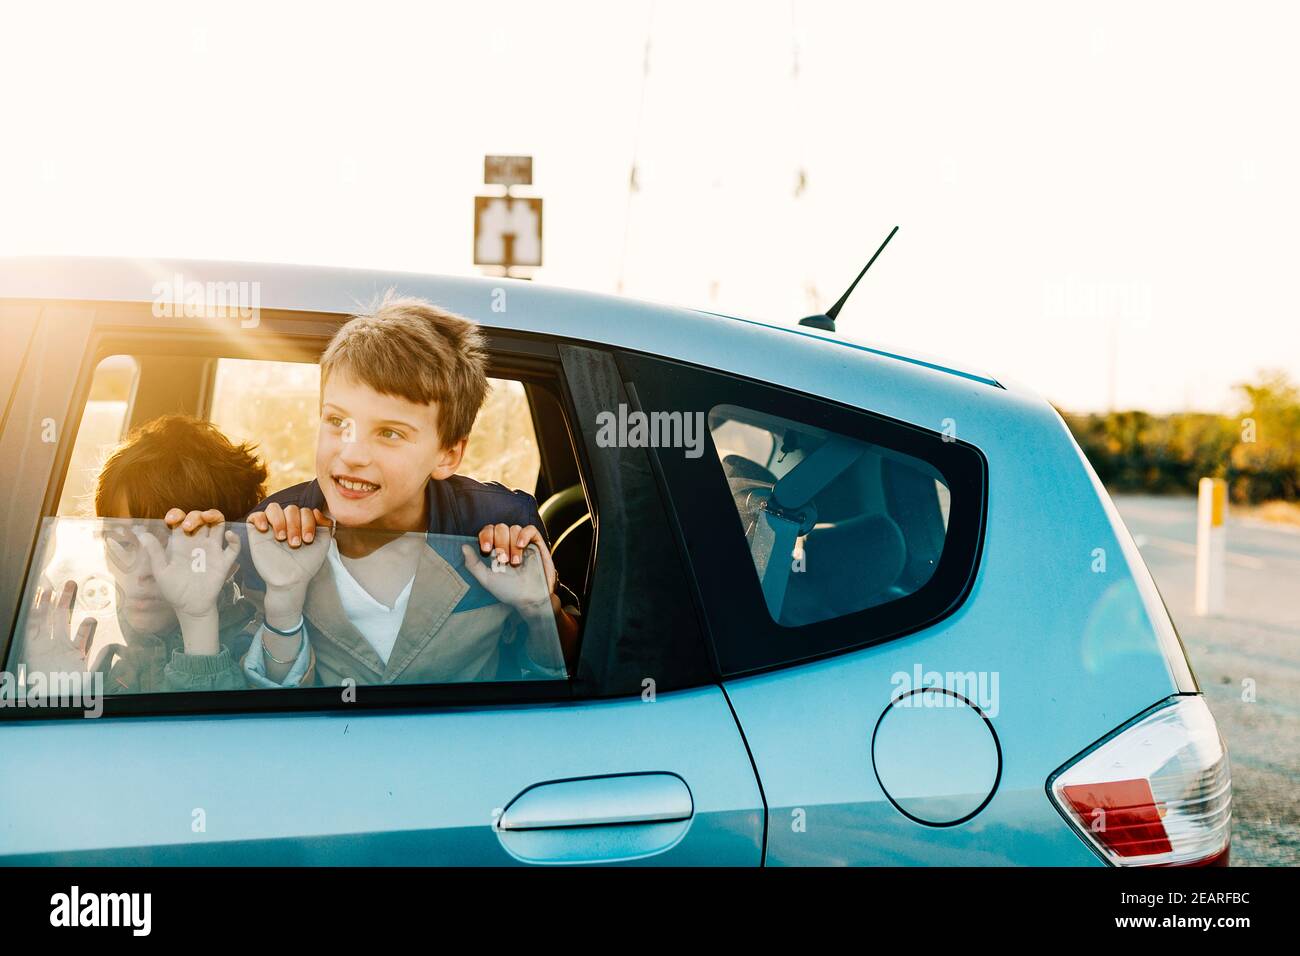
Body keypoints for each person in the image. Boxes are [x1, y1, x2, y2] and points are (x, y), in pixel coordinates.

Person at [240, 292, 580, 689]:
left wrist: (541, 610)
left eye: (389, 432)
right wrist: (284, 599)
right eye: (337, 421)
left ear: (447, 455)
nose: (351, 454)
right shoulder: (274, 531)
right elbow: (265, 711)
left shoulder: (497, 524)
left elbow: (568, 675)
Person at [90, 415, 280, 692]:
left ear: (229, 559)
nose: (142, 572)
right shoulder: (115, 663)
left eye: (169, 547)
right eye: (124, 544)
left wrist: (198, 627)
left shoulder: (258, 653)